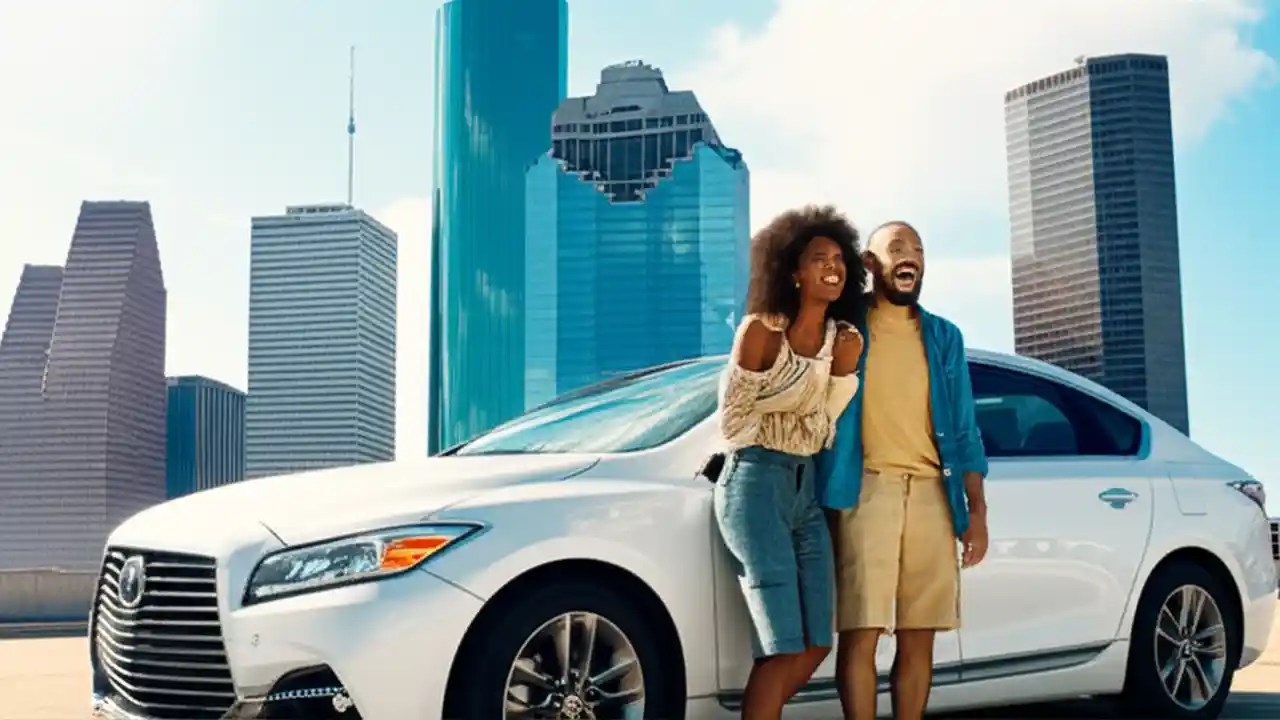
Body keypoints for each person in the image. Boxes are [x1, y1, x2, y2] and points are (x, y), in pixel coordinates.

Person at [814, 220, 990, 720]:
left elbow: (964, 428)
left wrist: (976, 510)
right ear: (870, 265)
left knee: (919, 638)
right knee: (862, 633)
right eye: (896, 248)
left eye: (917, 248)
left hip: (936, 495)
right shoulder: (846, 331)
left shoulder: (944, 338)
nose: (909, 255)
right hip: (866, 490)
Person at [715, 205, 867, 719]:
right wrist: (797, 407)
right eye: (818, 257)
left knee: (816, 641)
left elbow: (823, 428)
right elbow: (735, 423)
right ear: (794, 272)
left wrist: (786, 408)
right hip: (754, 483)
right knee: (781, 645)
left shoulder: (843, 344)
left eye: (840, 258)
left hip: (805, 488)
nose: (833, 265)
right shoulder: (762, 332)